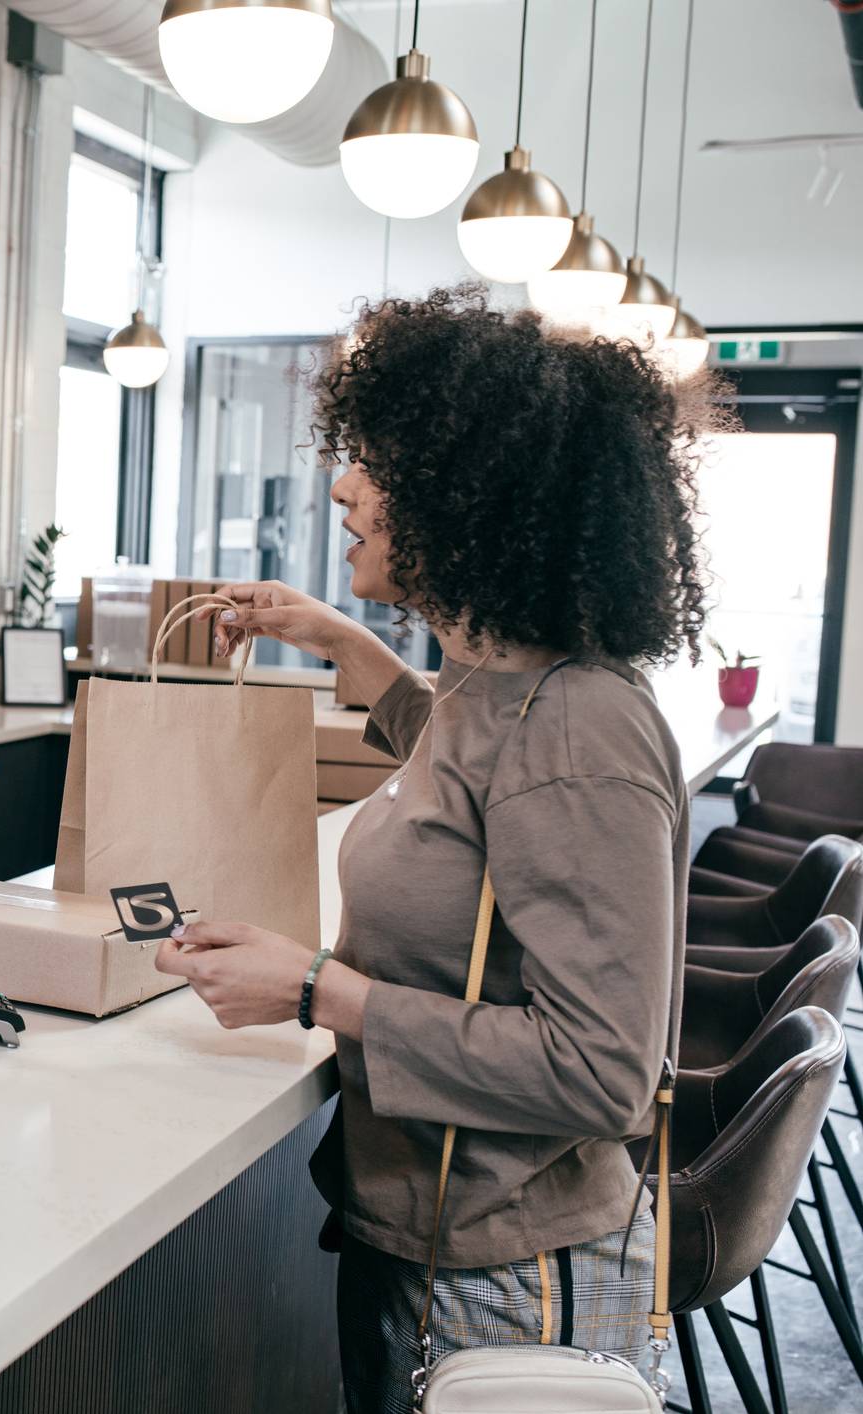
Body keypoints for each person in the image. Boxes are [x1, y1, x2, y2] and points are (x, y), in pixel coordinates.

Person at [152, 286, 718, 1412]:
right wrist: (334, 638)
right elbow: (466, 779)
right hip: (443, 1243)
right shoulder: (504, 686)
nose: (342, 485)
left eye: (373, 462)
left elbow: (601, 1071)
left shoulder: (576, 725)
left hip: (512, 1277)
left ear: (470, 493)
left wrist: (316, 988)